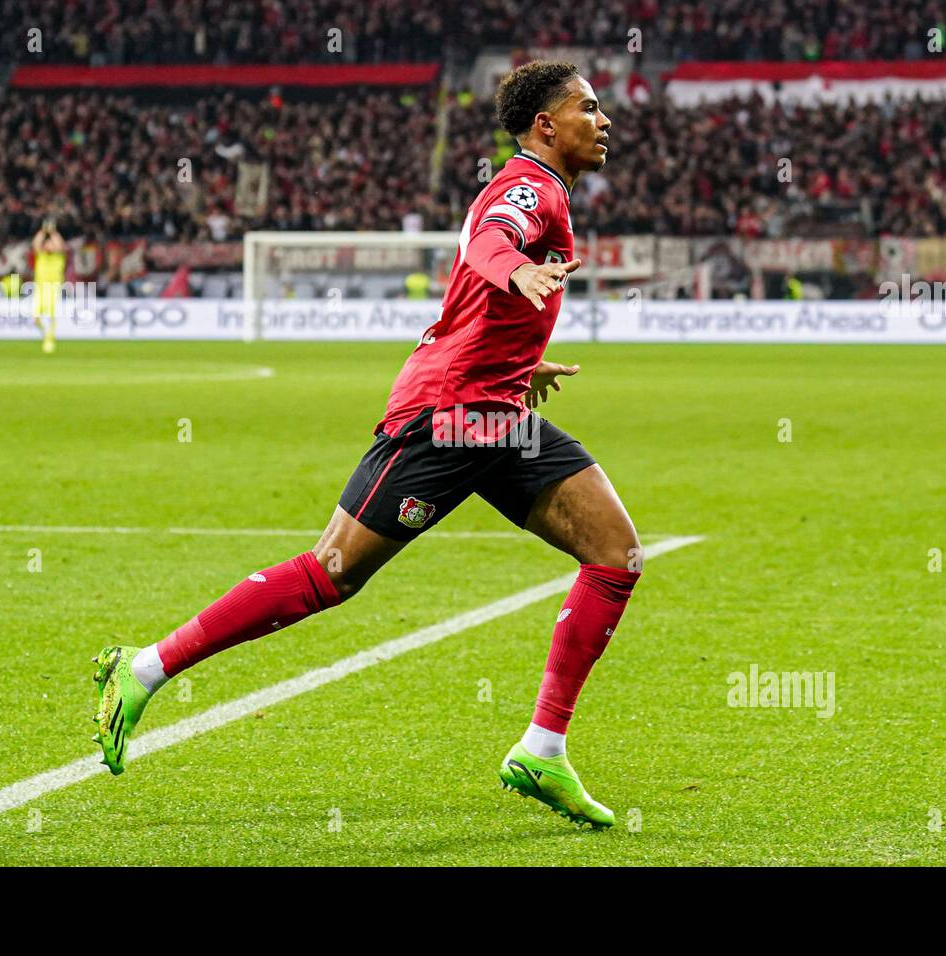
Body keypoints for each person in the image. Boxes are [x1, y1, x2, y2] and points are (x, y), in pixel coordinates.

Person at [91, 61, 634, 829]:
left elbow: (472, 297)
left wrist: (519, 357)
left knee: (615, 553)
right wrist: (518, 274)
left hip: (495, 410)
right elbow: (491, 242)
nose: (604, 119)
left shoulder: (547, 188)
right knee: (332, 574)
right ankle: (143, 668)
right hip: (447, 416)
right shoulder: (529, 188)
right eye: (589, 105)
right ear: (545, 124)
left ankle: (542, 750)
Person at [31, 219, 66, 353]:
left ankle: (49, 340)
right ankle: (46, 335)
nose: (49, 245)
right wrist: (43, 231)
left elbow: (60, 245)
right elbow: (36, 243)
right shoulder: (41, 256)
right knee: (36, 319)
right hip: (40, 289)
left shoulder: (58, 257)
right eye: (47, 243)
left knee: (51, 316)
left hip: (53, 288)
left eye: (50, 243)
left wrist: (52, 232)